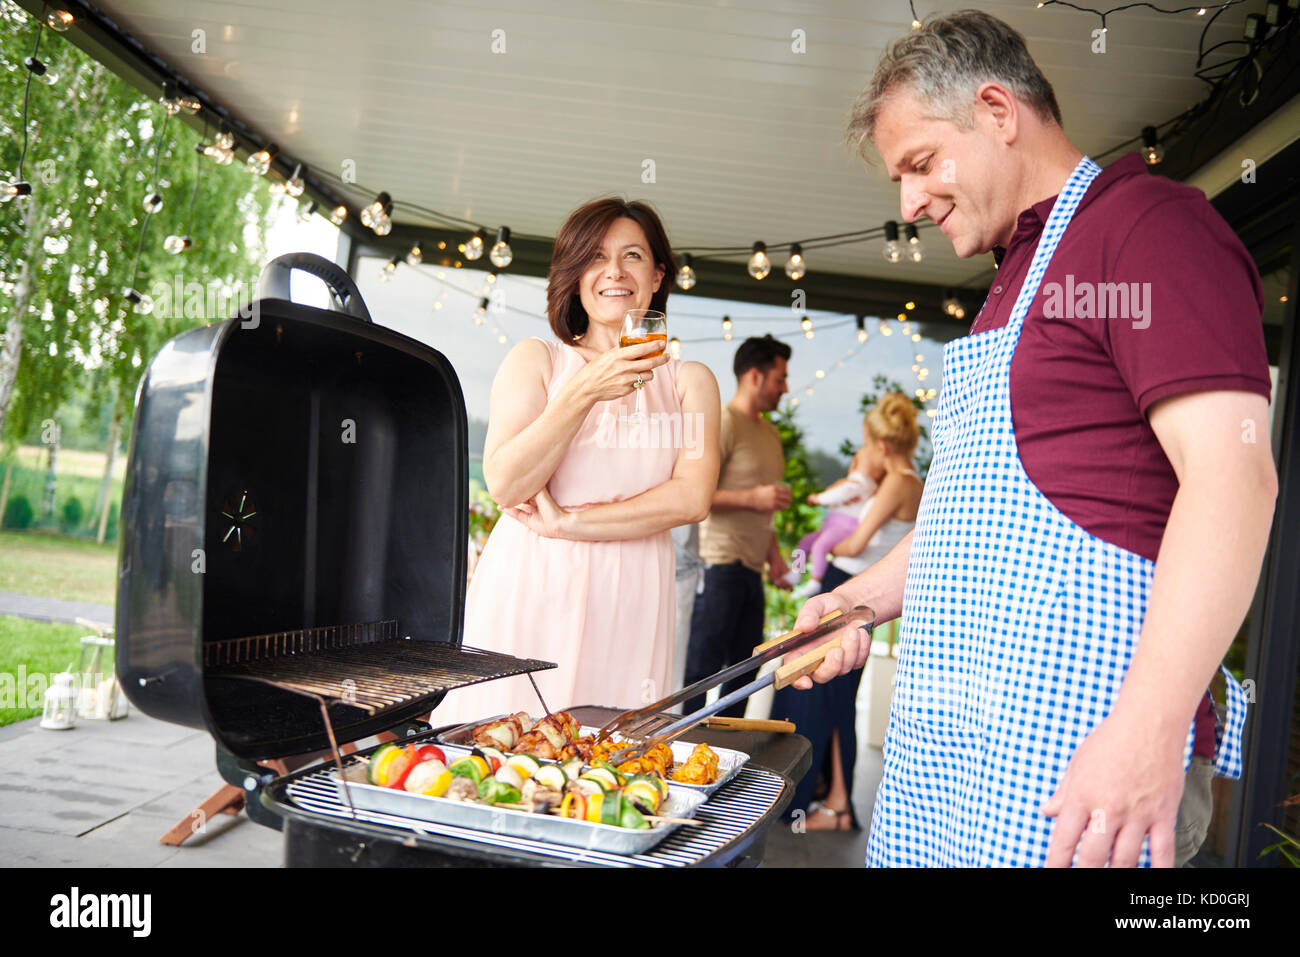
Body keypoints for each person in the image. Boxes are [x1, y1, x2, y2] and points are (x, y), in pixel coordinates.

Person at [789, 10, 1275, 867]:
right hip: (955, 763)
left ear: (997, 111)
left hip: (1083, 764)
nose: (908, 202)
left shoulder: (1148, 229)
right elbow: (962, 529)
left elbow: (1235, 480)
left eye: (921, 163)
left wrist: (1146, 729)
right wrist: (852, 602)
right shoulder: (1011, 280)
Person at [435, 198, 721, 728]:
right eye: (594, 256)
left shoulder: (690, 382)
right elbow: (506, 481)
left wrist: (570, 523)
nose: (614, 271)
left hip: (634, 594)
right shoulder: (536, 359)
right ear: (574, 274)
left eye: (632, 255)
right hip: (533, 582)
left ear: (657, 276)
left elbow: (692, 497)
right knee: (503, 745)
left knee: (610, 760)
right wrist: (584, 389)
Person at [773, 393, 922, 830]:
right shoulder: (910, 482)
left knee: (827, 699)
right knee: (837, 702)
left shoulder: (898, 482)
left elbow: (856, 546)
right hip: (863, 592)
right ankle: (832, 798)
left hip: (854, 590)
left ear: (882, 445)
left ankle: (835, 804)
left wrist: (816, 544)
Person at [683, 335, 793, 718]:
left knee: (745, 673)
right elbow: (695, 495)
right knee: (701, 670)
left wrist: (775, 560)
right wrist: (754, 498)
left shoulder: (770, 434)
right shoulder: (723, 423)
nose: (785, 387)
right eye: (780, 378)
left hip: (752, 569)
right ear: (754, 377)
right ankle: (681, 753)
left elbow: (766, 510)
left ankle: (725, 762)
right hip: (717, 565)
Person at [784, 446, 878, 598]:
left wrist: (819, 498)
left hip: (845, 527)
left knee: (819, 546)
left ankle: (816, 580)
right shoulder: (855, 482)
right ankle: (797, 571)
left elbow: (841, 493)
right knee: (805, 542)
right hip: (832, 525)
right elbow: (839, 491)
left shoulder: (863, 483)